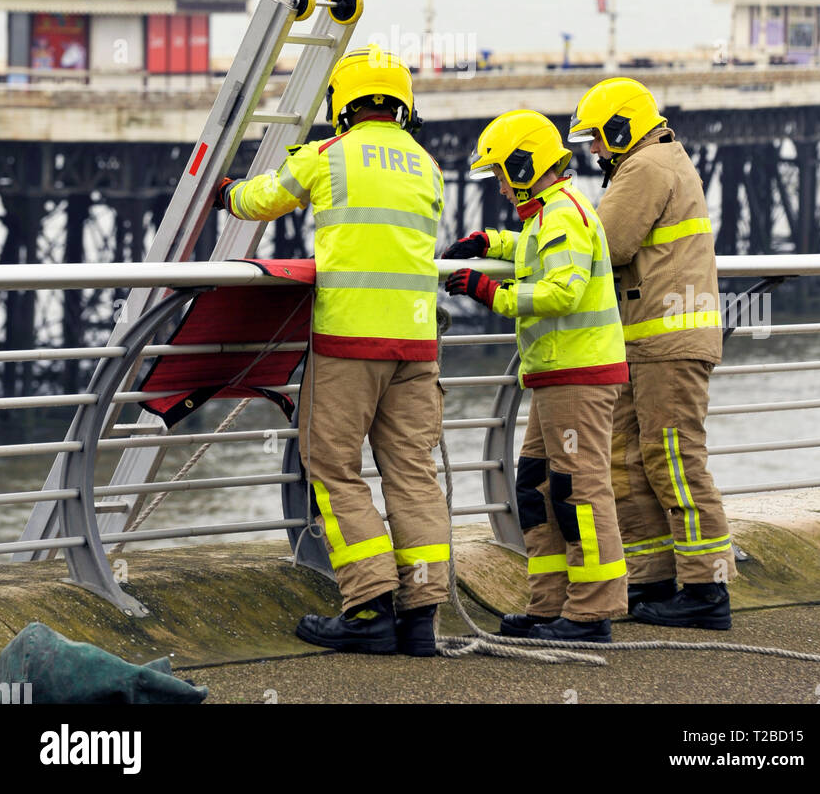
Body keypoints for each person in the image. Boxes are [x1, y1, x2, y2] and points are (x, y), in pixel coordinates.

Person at [215, 45, 450, 656]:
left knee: (334, 469)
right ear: (402, 103)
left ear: (341, 101)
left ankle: (368, 607)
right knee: (414, 474)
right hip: (417, 345)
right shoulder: (427, 166)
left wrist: (225, 192)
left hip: (349, 342)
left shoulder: (327, 156)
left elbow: (264, 199)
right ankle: (420, 616)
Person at [444, 109, 628, 644]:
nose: (500, 187)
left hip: (578, 375)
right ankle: (549, 604)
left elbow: (563, 291)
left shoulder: (562, 215)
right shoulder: (549, 215)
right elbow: (532, 250)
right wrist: (488, 243)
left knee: (578, 488)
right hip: (556, 375)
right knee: (536, 486)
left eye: (503, 174)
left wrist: (489, 292)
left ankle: (591, 612)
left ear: (524, 166)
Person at [568, 76, 736, 630]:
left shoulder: (645, 167)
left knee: (674, 459)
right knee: (631, 461)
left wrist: (531, 240)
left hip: (668, 342)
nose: (594, 150)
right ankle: (652, 579)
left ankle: (706, 590)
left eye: (598, 137)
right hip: (646, 340)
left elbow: (606, 244)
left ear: (623, 129)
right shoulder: (660, 160)